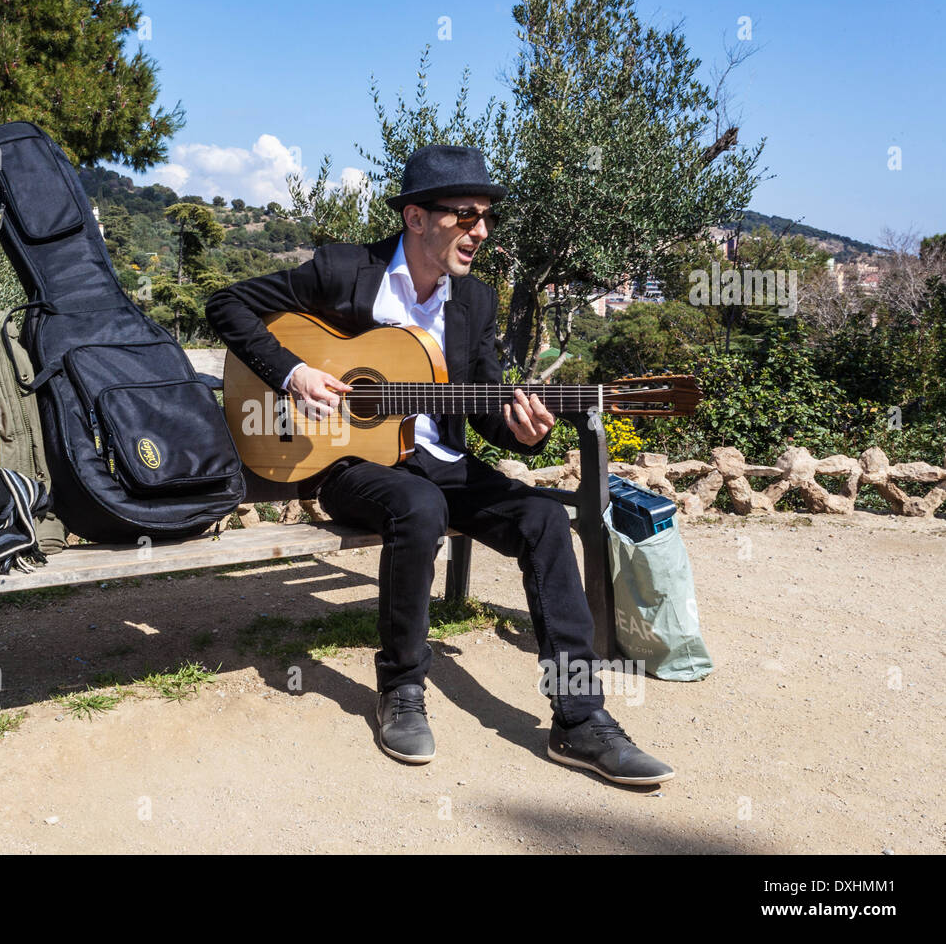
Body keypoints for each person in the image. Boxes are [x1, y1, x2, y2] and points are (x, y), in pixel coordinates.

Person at [206, 144, 674, 785]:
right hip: (345, 464)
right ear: (416, 218)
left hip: (444, 462)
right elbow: (226, 304)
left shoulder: (474, 303)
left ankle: (580, 721)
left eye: (485, 217)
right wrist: (293, 373)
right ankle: (400, 689)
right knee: (416, 505)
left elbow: (486, 408)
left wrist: (526, 432)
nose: (481, 231)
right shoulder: (344, 271)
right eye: (465, 215)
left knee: (540, 516)